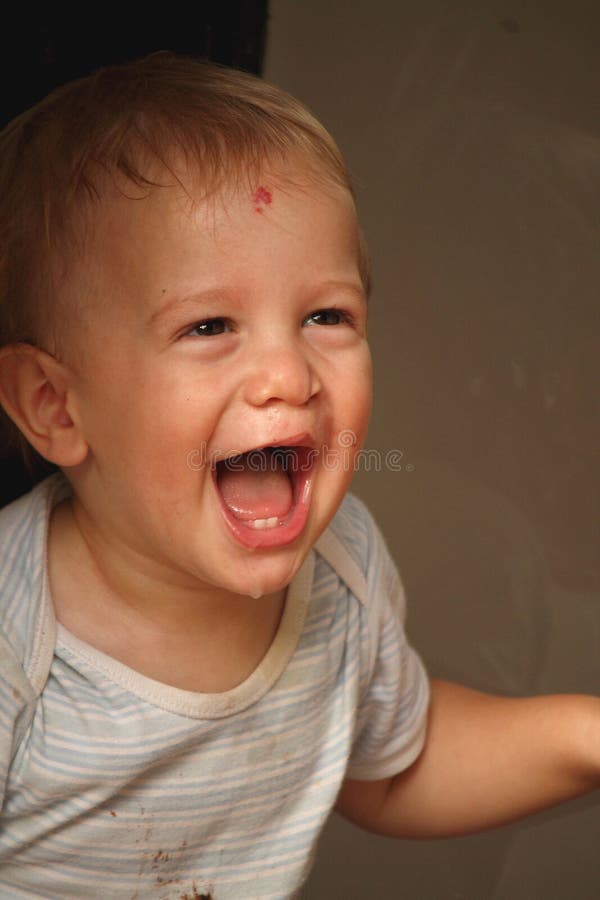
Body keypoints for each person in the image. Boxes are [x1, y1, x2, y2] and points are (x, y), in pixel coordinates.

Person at [0, 52, 597, 899]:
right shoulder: (15, 631)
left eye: (326, 315)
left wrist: (585, 735)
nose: (288, 374)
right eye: (209, 326)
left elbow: (394, 767)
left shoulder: (342, 571)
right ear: (57, 406)